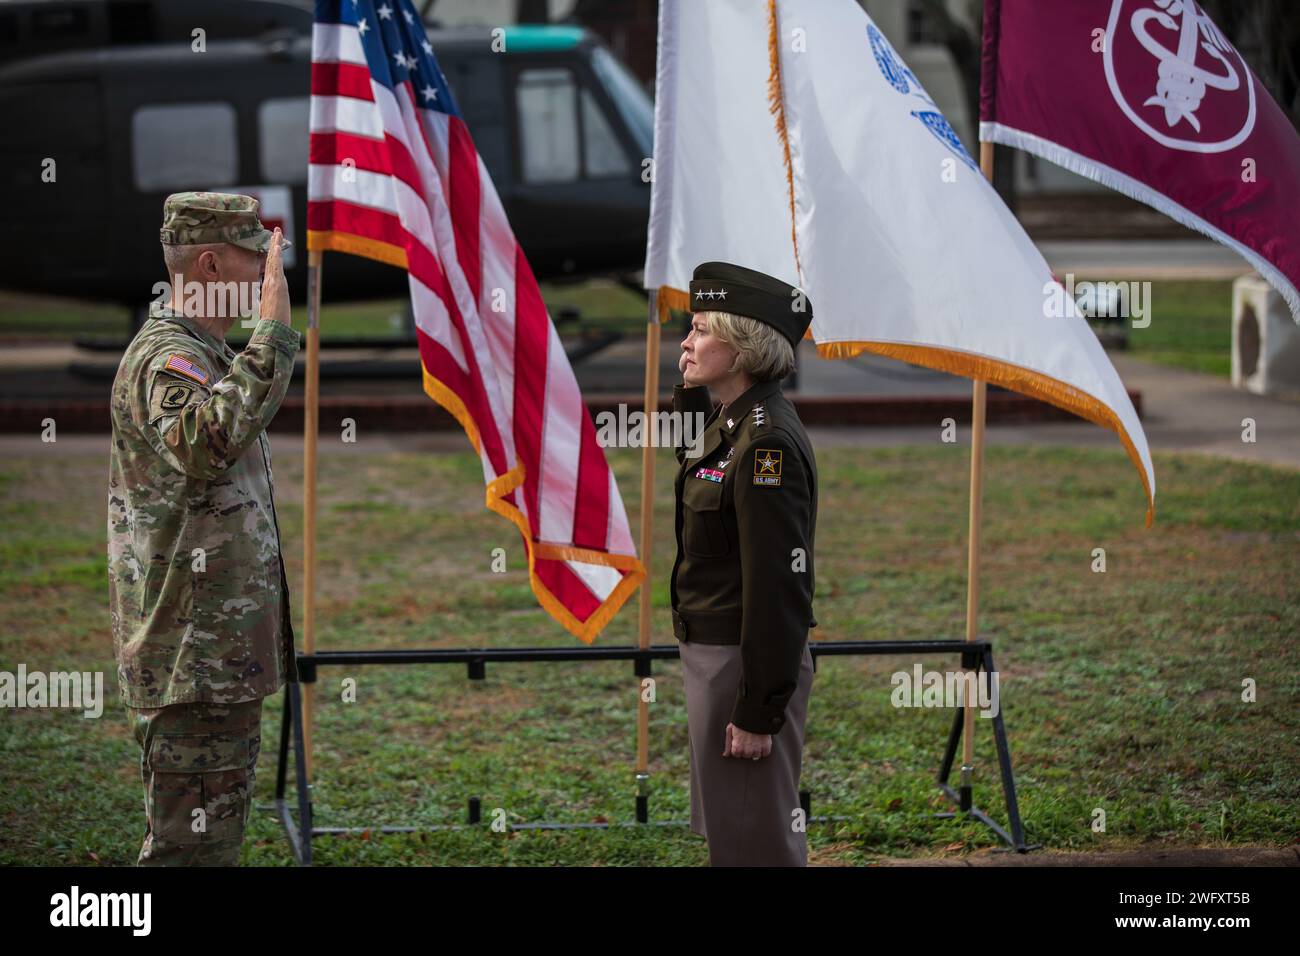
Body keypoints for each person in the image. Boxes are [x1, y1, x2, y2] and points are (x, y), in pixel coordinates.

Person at [107, 192, 300, 865]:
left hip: (216, 655)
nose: (266, 279)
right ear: (212, 264)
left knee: (208, 844)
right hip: (192, 656)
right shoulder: (167, 360)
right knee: (188, 853)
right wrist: (272, 335)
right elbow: (204, 441)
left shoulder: (205, 354)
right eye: (257, 262)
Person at [670, 260, 819, 866]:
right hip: (714, 656)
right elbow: (686, 455)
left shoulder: (766, 446)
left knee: (754, 843)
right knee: (732, 834)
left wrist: (758, 711)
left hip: (740, 663)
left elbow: (778, 588)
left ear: (741, 348)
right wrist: (686, 382)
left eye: (701, 330)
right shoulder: (728, 421)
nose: (685, 341)